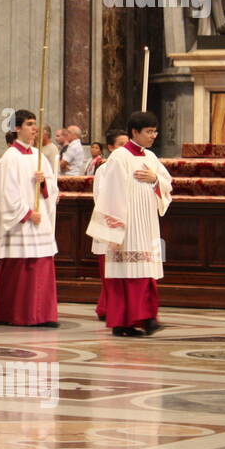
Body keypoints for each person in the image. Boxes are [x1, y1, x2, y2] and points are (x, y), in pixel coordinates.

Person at [88, 112, 172, 337]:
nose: (153, 136)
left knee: (146, 272)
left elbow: (167, 184)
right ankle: (125, 321)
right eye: (149, 131)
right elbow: (111, 194)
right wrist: (114, 230)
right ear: (135, 132)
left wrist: (155, 179)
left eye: (155, 131)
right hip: (128, 226)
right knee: (128, 274)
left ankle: (145, 318)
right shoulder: (119, 157)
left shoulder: (151, 157)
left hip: (148, 224)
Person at [0, 109, 60, 327]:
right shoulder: (10, 158)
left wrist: (44, 182)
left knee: (41, 263)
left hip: (39, 219)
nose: (34, 128)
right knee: (21, 268)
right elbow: (5, 194)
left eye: (35, 124)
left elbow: (52, 188)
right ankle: (18, 314)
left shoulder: (38, 156)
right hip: (21, 222)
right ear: (17, 128)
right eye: (29, 124)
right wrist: (27, 214)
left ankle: (43, 314)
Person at [90, 129, 129, 319]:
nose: (125, 148)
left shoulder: (132, 166)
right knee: (109, 271)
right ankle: (107, 306)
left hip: (129, 224)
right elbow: (101, 198)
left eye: (127, 144)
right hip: (110, 225)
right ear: (111, 147)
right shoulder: (104, 169)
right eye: (121, 144)